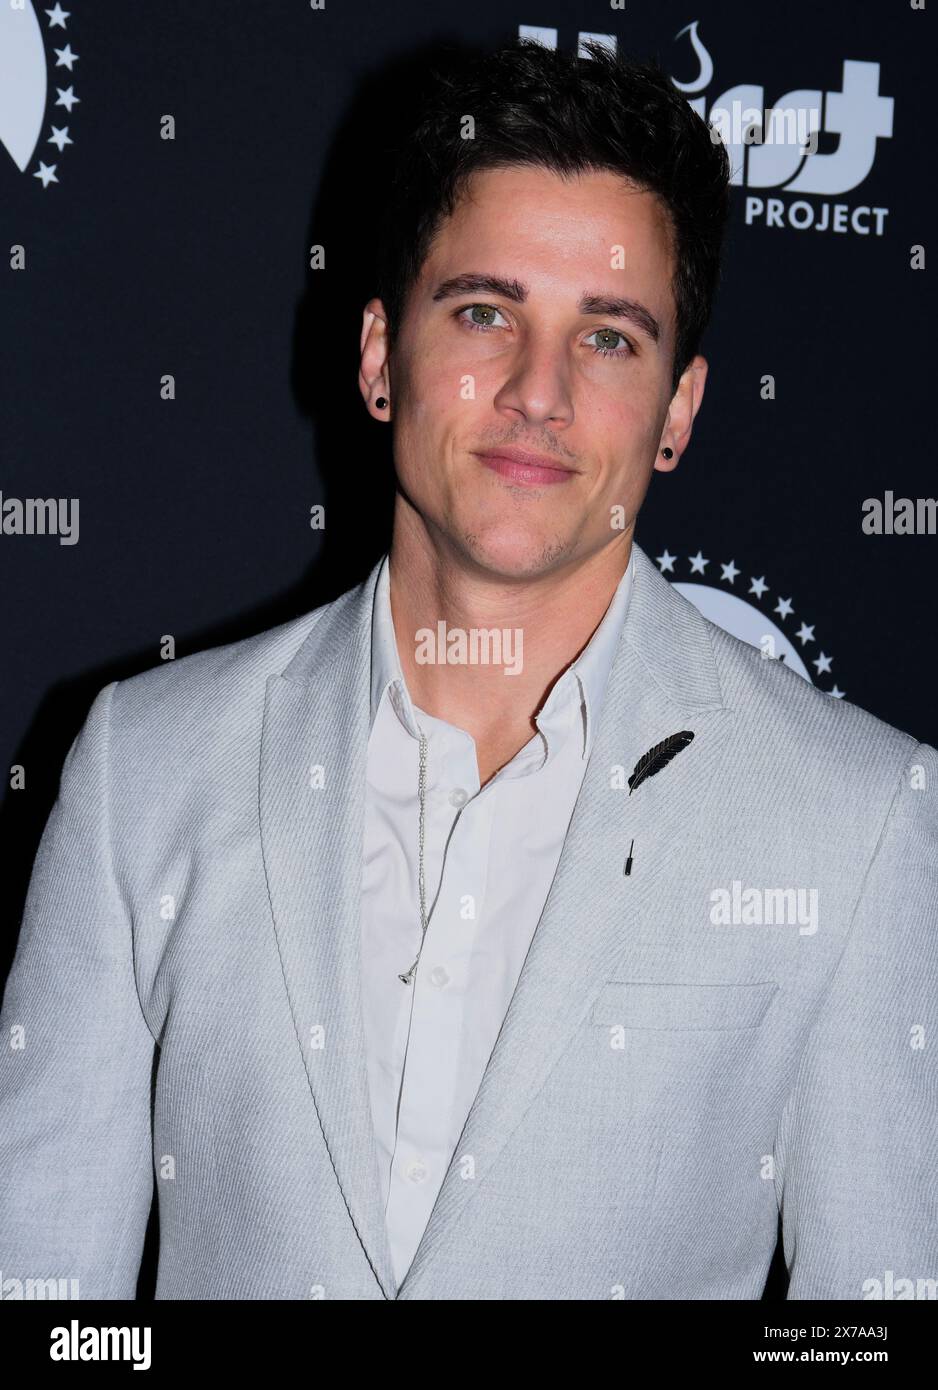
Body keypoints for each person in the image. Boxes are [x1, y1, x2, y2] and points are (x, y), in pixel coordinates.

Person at [1, 37, 935, 1302]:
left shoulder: (859, 817)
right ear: (381, 355)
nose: (535, 391)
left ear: (679, 408)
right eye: (485, 313)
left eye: (607, 338)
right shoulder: (142, 768)